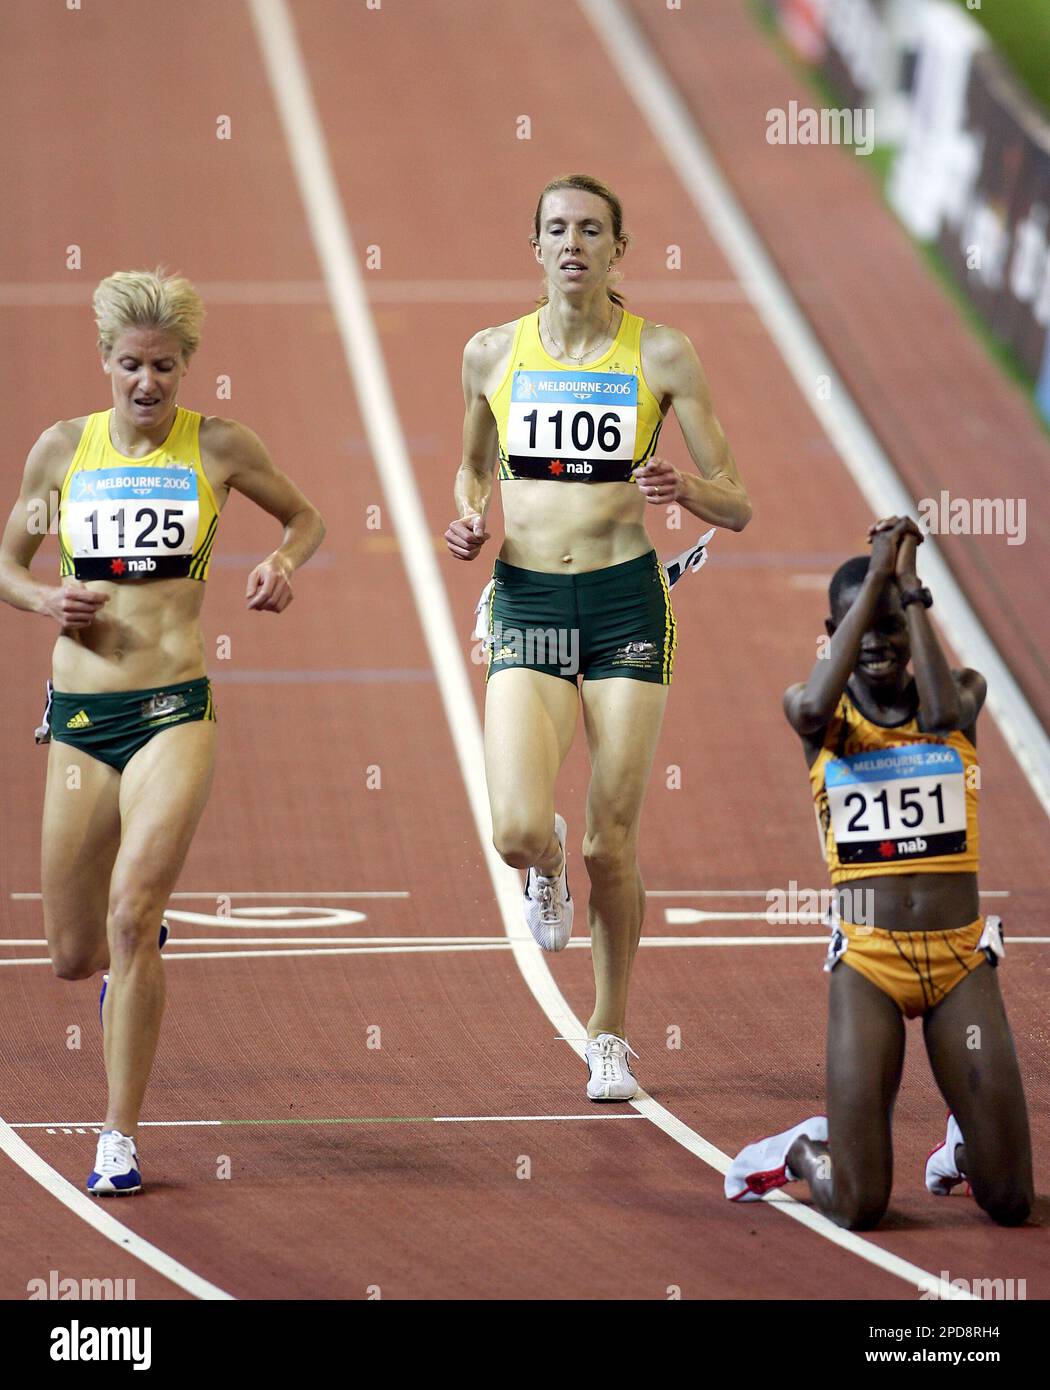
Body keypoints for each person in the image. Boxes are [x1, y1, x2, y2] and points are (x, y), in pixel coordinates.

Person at [0, 269, 325, 1194]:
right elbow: (7, 559)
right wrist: (39, 598)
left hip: (173, 711)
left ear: (187, 371)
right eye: (133, 367)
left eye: (166, 369)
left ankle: (118, 1137)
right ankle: (118, 969)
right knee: (72, 954)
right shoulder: (63, 452)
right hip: (79, 720)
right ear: (105, 362)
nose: (148, 384)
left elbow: (306, 516)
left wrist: (281, 561)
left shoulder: (218, 448)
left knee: (133, 912)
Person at [445, 174, 751, 1101]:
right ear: (533, 246)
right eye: (556, 229)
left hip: (624, 610)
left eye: (590, 229)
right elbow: (470, 469)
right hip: (530, 605)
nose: (572, 243)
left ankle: (608, 1033)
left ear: (620, 248)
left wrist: (683, 489)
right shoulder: (492, 355)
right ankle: (542, 868)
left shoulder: (661, 354)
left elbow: (735, 500)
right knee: (514, 827)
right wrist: (467, 519)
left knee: (612, 846)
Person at [725, 517, 1033, 1229]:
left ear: (913, 619)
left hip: (959, 959)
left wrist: (910, 585)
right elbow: (813, 691)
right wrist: (876, 572)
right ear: (833, 628)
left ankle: (962, 1150)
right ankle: (803, 1151)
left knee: (1011, 1201)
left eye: (891, 627)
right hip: (869, 962)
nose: (877, 644)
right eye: (859, 630)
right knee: (861, 1204)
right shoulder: (819, 717)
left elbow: (941, 710)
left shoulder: (960, 693)